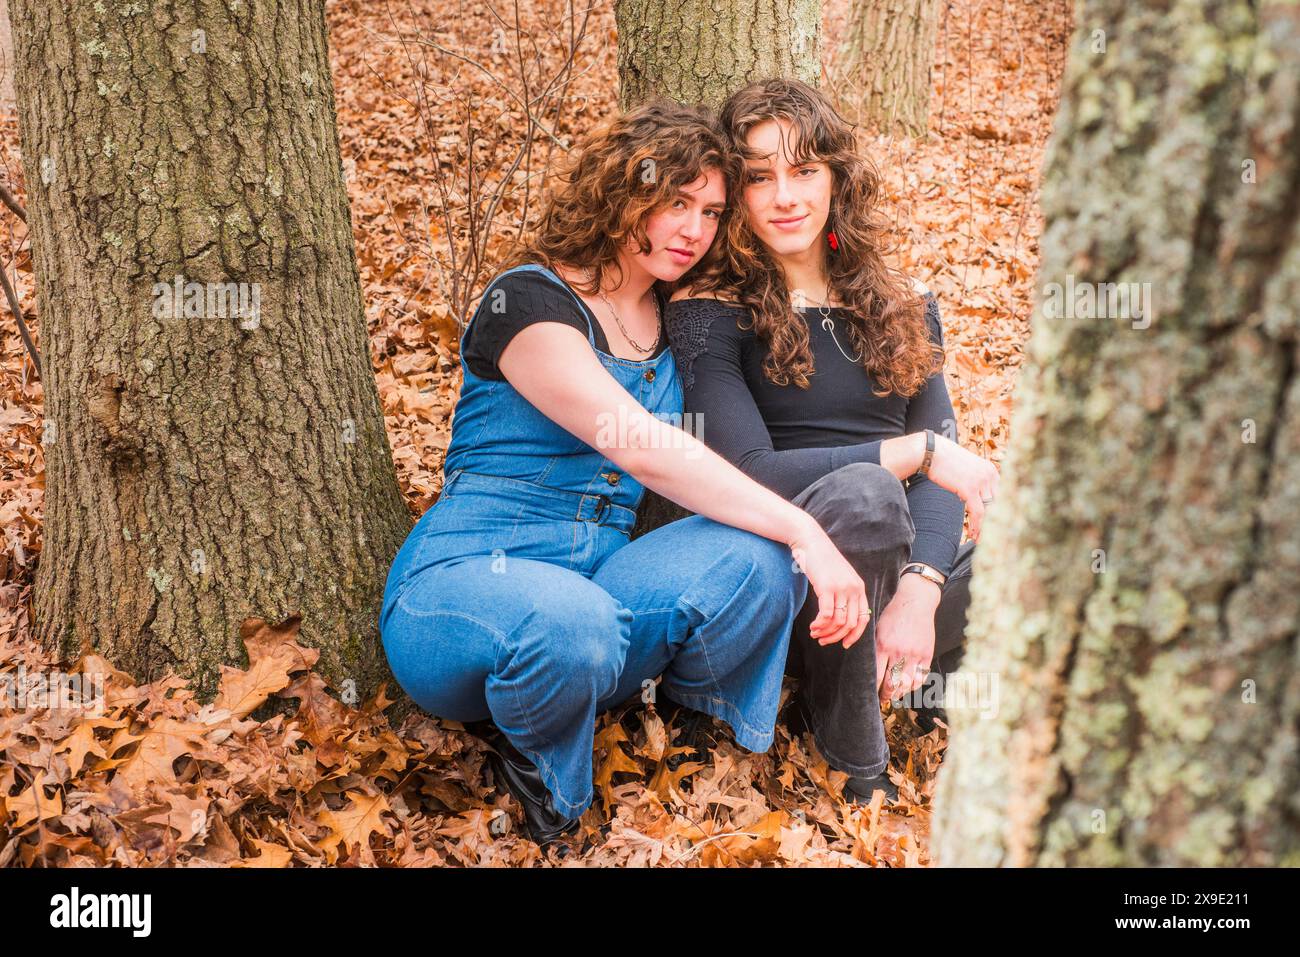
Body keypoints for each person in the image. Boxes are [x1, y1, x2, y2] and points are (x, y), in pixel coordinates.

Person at [380, 99, 871, 851]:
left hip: (603, 596)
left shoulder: (676, 318)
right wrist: (807, 525)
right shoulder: (531, 300)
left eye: (710, 212)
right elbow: (639, 446)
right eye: (674, 203)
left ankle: (695, 732)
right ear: (620, 191)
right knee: (575, 617)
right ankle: (550, 785)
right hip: (462, 584)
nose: (693, 230)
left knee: (758, 557)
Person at [664, 78, 1000, 804]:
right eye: (759, 176)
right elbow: (748, 472)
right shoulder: (708, 309)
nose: (785, 195)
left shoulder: (904, 302)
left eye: (805, 169)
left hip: (898, 572)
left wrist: (919, 588)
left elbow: (942, 459)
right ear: (739, 194)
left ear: (836, 177)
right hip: (790, 587)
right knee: (870, 495)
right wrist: (911, 459)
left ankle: (920, 686)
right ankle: (856, 758)